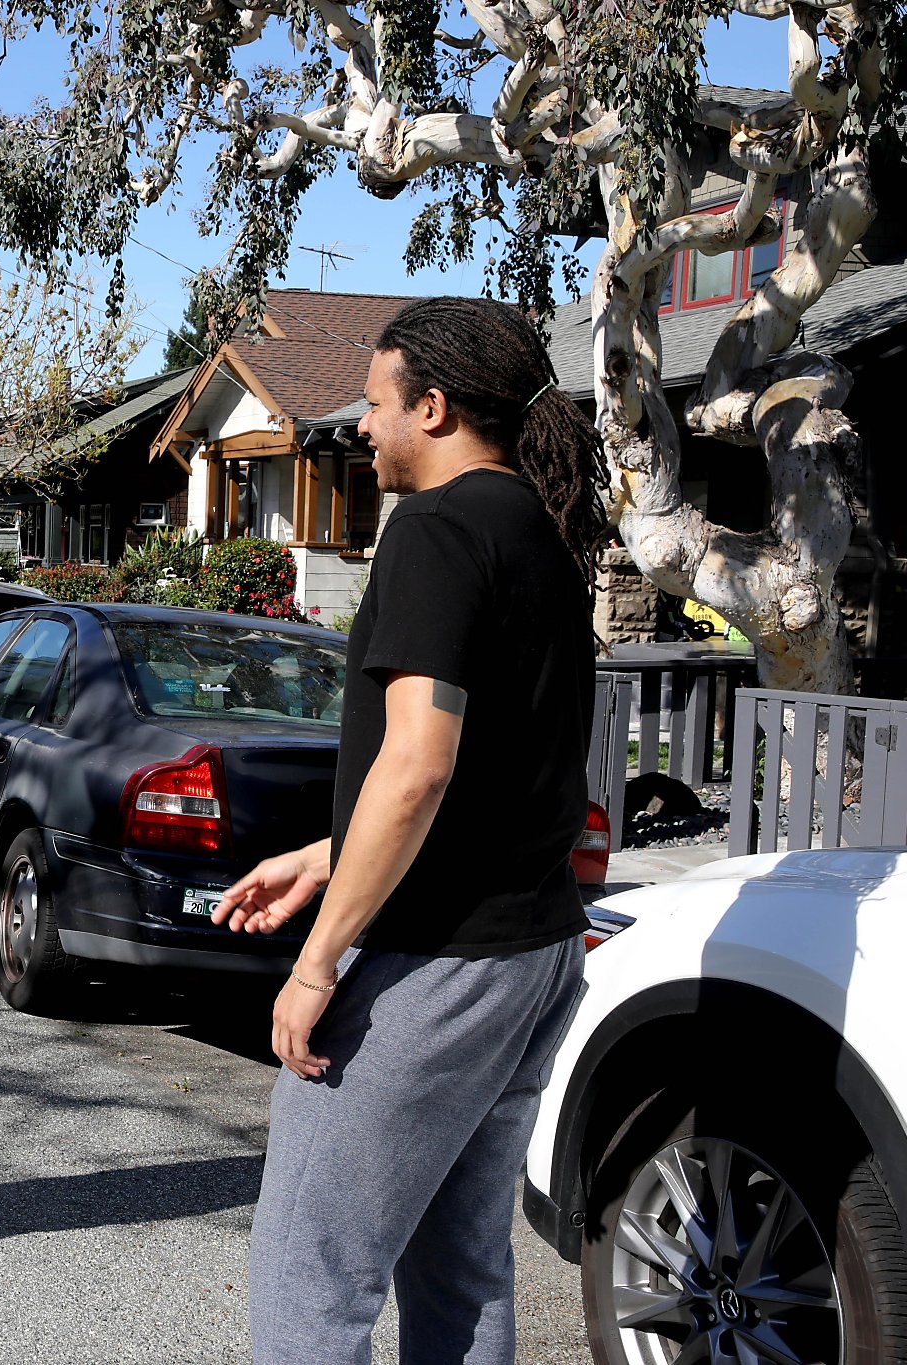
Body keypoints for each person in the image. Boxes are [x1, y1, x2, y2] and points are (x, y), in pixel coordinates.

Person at [214, 296, 609, 1364]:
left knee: (311, 1277)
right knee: (460, 1271)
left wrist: (317, 960)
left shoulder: (432, 531)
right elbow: (490, 775)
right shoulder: (536, 531)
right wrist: (319, 855)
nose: (361, 430)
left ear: (431, 408)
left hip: (435, 962)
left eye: (378, 407)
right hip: (531, 955)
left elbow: (419, 763)